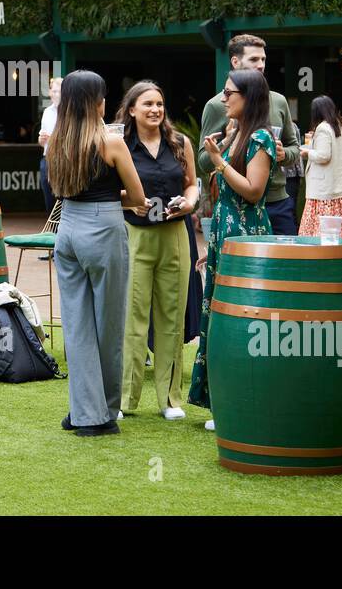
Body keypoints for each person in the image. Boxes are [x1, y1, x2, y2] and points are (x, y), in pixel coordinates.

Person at [48, 70, 147, 437]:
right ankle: (101, 412)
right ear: (97, 102)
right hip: (103, 228)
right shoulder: (111, 142)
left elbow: (59, 189)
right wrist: (119, 200)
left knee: (77, 326)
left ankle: (83, 410)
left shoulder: (55, 142)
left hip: (68, 231)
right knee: (109, 323)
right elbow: (137, 198)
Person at [188, 68, 275, 422]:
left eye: (229, 93)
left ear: (248, 97)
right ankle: (219, 401)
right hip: (225, 234)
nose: (223, 99)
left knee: (240, 319)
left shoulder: (261, 139)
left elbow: (253, 191)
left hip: (246, 236)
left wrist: (221, 163)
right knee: (219, 318)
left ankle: (240, 401)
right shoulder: (237, 134)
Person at [115, 80, 196, 421]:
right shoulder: (119, 145)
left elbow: (192, 184)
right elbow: (106, 190)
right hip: (135, 236)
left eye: (160, 104)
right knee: (132, 318)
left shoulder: (179, 143)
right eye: (147, 104)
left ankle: (170, 400)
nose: (155, 109)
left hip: (175, 234)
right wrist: (130, 201)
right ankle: (123, 400)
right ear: (131, 109)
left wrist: (188, 204)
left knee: (172, 317)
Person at [197, 34, 299, 235]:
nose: (260, 65)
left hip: (277, 201)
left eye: (263, 59)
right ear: (235, 61)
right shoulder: (218, 105)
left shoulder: (278, 101)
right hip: (236, 205)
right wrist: (226, 143)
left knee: (284, 264)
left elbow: (294, 149)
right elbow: (204, 162)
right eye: (254, 59)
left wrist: (283, 154)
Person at [298, 95, 342, 239]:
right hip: (341, 186)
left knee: (318, 233)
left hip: (324, 190)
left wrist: (307, 152)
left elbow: (323, 156)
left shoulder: (322, 128)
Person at [38, 76, 62, 219]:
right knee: (49, 197)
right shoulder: (47, 112)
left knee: (63, 197)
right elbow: (42, 141)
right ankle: (51, 229)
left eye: (58, 91)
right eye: (53, 91)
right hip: (47, 158)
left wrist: (52, 138)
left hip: (64, 159)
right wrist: (41, 139)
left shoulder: (70, 111)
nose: (55, 94)